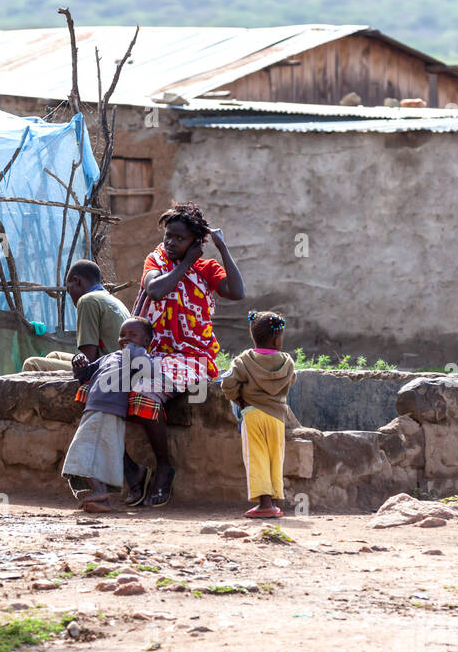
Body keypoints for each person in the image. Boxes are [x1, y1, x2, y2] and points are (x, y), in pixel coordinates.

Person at [124, 202, 245, 507]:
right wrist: (183, 264)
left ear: (195, 243)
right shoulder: (156, 261)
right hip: (155, 354)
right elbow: (155, 291)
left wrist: (222, 247)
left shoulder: (206, 270)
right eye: (168, 236)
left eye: (179, 238)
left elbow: (237, 291)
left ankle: (164, 468)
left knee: (144, 394)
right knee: (100, 389)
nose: (171, 243)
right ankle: (131, 470)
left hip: (194, 359)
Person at [62, 317, 157, 513]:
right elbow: (86, 375)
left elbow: (149, 371)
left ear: (146, 342)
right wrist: (79, 365)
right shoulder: (108, 357)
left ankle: (100, 491)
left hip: (109, 409)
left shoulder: (139, 355)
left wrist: (134, 352)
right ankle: (102, 496)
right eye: (122, 335)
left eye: (132, 335)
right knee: (97, 454)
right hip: (94, 409)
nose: (125, 339)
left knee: (84, 450)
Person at [218, 310, 295, 518]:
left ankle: (264, 504)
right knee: (275, 458)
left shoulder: (245, 360)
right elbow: (291, 380)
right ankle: (275, 501)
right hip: (277, 417)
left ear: (254, 336)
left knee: (256, 457)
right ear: (277, 339)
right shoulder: (287, 361)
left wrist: (239, 399)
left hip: (252, 414)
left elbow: (227, 382)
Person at [21, 260, 129, 371]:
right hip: (117, 364)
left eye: (69, 289)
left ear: (76, 281)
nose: (71, 296)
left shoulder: (88, 300)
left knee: (32, 364)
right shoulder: (112, 300)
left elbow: (88, 360)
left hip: (106, 369)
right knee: (54, 356)